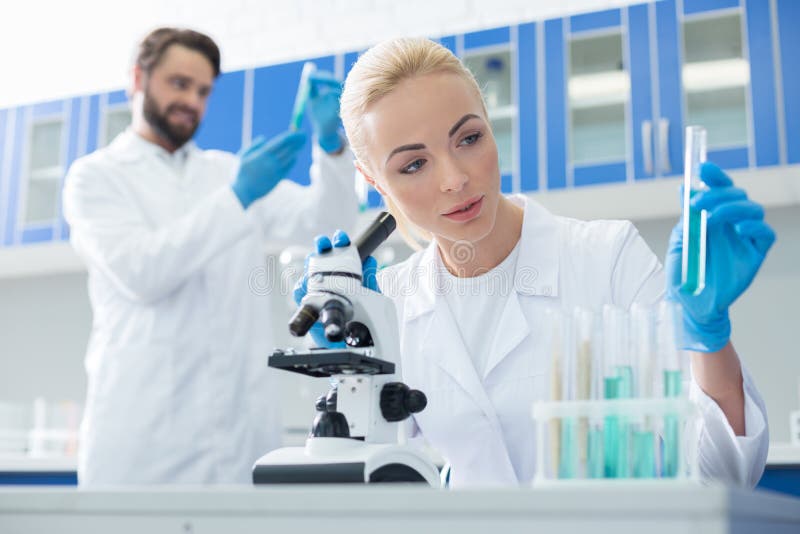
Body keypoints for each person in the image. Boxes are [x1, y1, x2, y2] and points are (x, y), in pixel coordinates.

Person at [300, 37, 774, 488]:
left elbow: (723, 475)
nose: (456, 178)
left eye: (468, 138)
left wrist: (707, 333)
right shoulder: (394, 303)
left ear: (489, 123)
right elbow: (370, 474)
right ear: (373, 180)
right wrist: (355, 364)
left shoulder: (606, 259)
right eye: (413, 165)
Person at [62, 27, 359, 485]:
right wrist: (238, 196)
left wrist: (332, 145)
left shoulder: (226, 170)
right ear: (138, 79)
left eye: (203, 91)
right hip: (142, 444)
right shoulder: (95, 178)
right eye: (179, 84)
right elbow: (143, 273)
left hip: (239, 436)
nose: (192, 101)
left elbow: (325, 224)